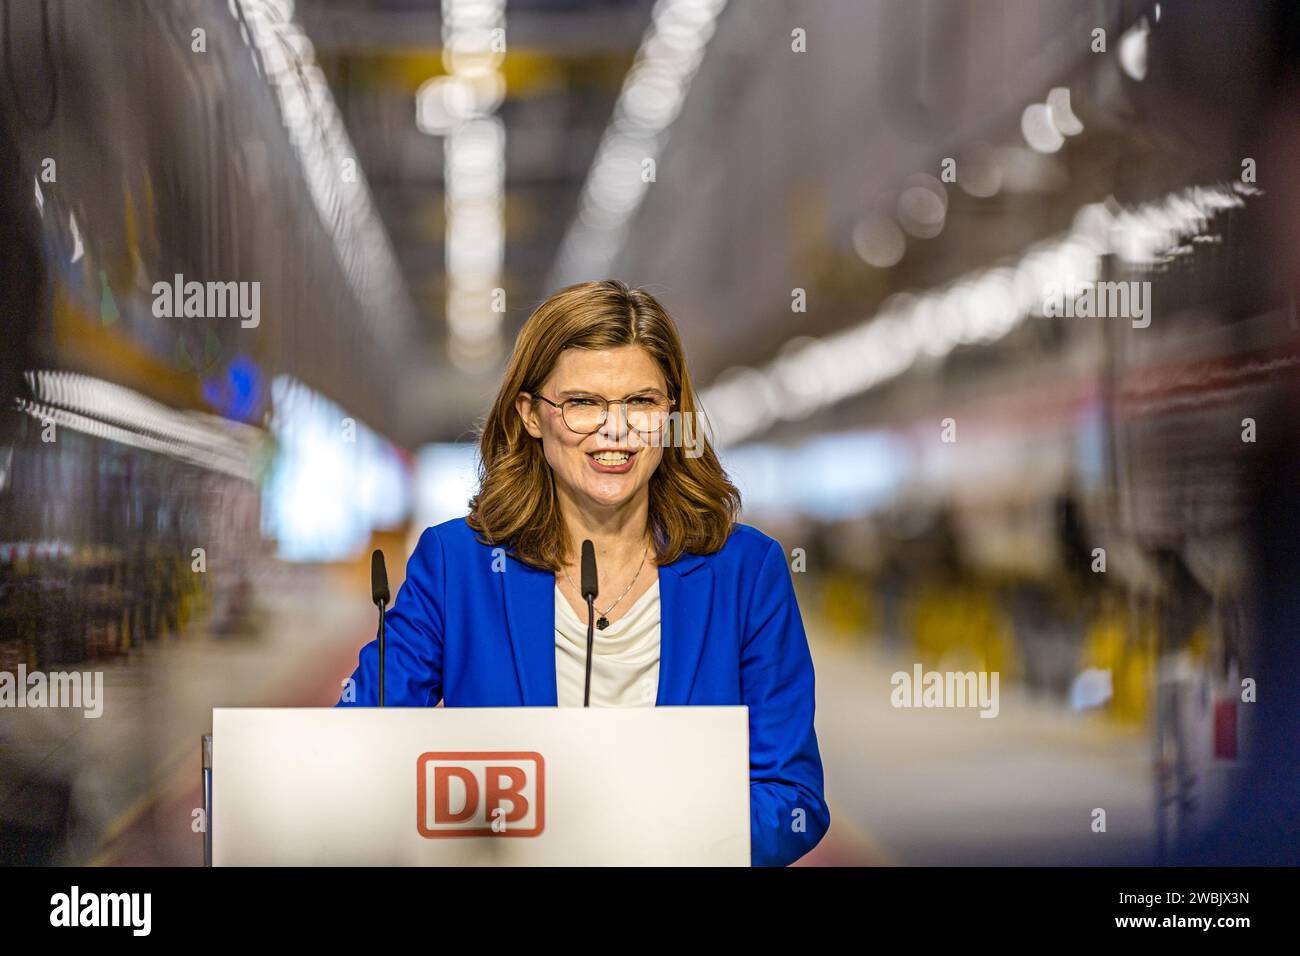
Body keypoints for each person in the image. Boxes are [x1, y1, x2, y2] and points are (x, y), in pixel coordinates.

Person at [337, 279, 830, 866]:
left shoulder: (747, 572)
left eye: (641, 403)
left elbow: (792, 799)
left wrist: (645, 837)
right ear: (531, 415)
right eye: (583, 403)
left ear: (671, 413)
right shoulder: (456, 565)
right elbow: (360, 748)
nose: (615, 432)